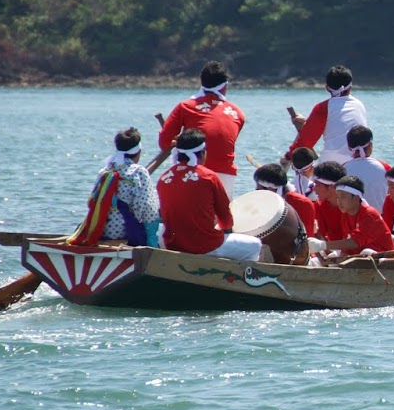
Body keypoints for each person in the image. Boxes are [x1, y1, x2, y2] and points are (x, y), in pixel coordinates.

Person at [155, 128, 265, 261]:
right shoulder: (208, 176)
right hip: (204, 245)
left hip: (172, 244)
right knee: (255, 245)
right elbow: (225, 218)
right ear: (202, 153)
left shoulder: (163, 178)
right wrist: (226, 230)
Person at [159, 60, 246, 195]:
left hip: (193, 172)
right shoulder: (238, 113)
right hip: (226, 176)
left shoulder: (185, 107)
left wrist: (177, 141)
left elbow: (164, 143)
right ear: (224, 87)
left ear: (201, 82)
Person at [74, 127, 161, 246]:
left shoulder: (105, 171)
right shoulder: (138, 172)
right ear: (138, 152)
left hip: (100, 230)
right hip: (125, 233)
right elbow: (147, 207)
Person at [285, 64, 370, 167]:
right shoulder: (359, 105)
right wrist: (308, 123)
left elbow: (305, 144)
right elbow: (339, 125)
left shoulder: (322, 108)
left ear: (326, 87)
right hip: (360, 162)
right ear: (350, 87)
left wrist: (287, 157)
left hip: (331, 166)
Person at [323, 175, 394, 256]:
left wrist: (323, 245)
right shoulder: (345, 216)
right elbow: (347, 247)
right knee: (332, 256)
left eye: (343, 197)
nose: (339, 201)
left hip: (384, 260)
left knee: (367, 252)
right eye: (337, 197)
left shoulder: (369, 215)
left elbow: (355, 242)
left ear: (356, 198)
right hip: (361, 258)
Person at [252, 162, 317, 239]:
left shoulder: (302, 204)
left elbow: (306, 240)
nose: (258, 193)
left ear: (270, 189)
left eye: (258, 189)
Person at [342, 125, 388, 209]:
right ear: (370, 145)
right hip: (380, 219)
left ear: (349, 147)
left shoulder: (343, 169)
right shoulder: (385, 167)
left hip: (353, 220)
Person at [309, 160, 349, 242]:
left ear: (331, 187)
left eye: (318, 185)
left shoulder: (352, 208)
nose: (314, 189)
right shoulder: (317, 206)